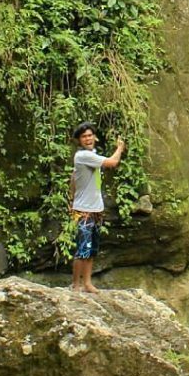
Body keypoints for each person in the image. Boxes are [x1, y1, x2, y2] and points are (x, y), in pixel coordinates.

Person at [68, 121, 125, 293]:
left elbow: (73, 176)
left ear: (95, 137)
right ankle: (76, 285)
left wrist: (71, 197)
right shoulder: (83, 156)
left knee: (92, 248)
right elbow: (113, 163)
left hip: (96, 210)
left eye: (90, 135)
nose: (88, 138)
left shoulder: (92, 155)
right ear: (79, 140)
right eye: (84, 136)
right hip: (84, 210)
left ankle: (87, 283)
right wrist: (120, 147)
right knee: (83, 249)